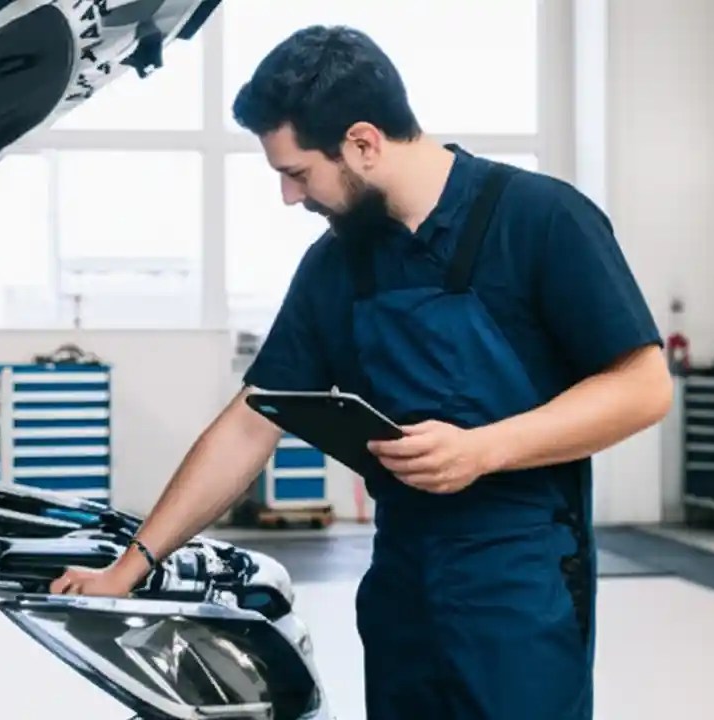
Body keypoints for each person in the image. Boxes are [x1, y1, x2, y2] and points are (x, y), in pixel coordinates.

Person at [51, 24, 673, 720]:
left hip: (521, 587)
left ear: (364, 143)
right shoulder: (336, 264)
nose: (290, 197)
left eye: (297, 173)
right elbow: (250, 424)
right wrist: (129, 568)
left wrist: (483, 449)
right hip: (403, 588)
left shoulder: (540, 219)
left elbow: (643, 386)